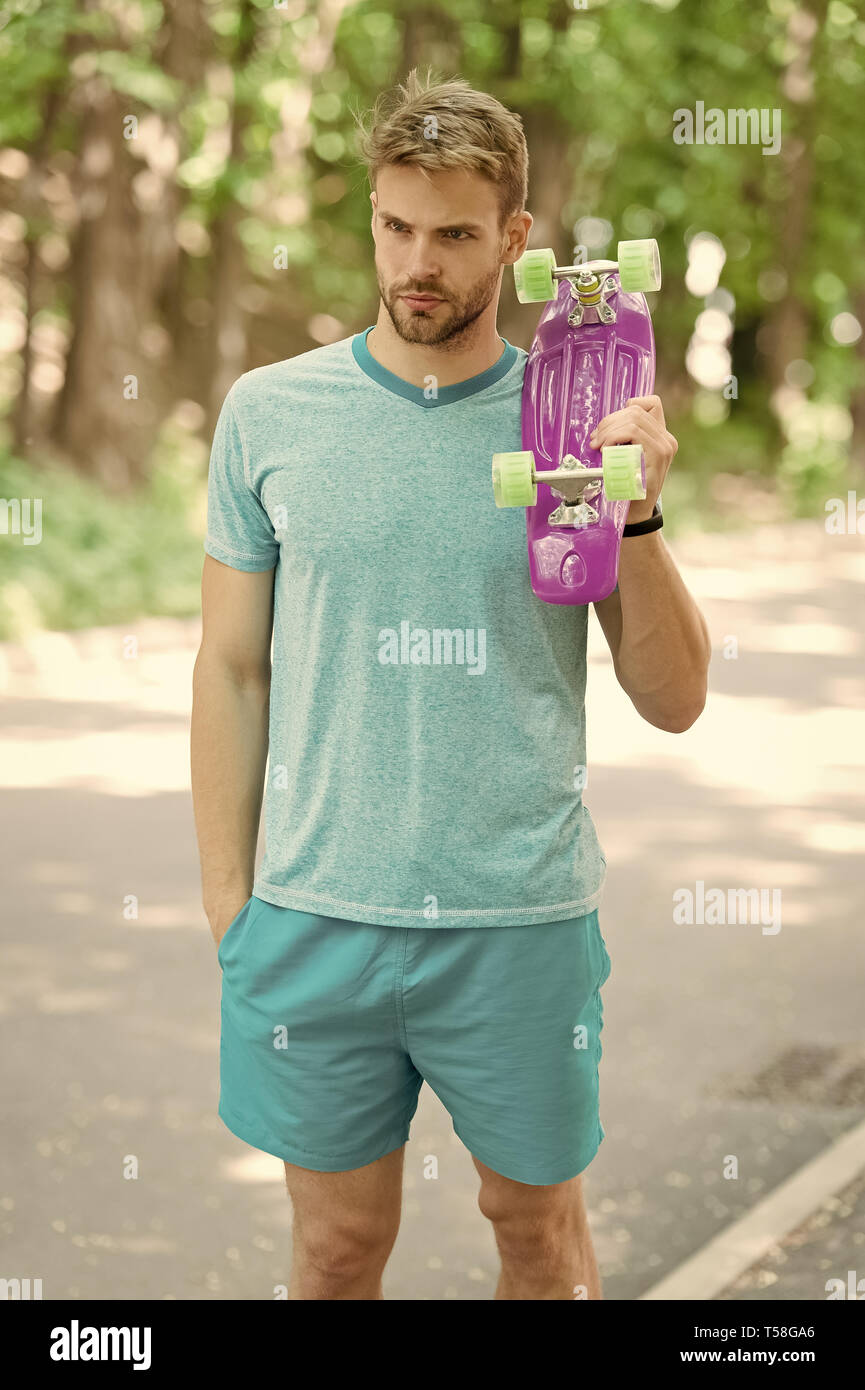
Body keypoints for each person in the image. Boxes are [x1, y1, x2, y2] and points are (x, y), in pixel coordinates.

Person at [190, 69, 711, 1301]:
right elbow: (231, 667)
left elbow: (676, 697)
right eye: (395, 226)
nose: (418, 263)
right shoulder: (271, 414)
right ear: (370, 214)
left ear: (516, 239)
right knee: (332, 1250)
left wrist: (636, 516)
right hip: (317, 918)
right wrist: (231, 911)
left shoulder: (574, 420)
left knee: (537, 1242)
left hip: (515, 923)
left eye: (455, 234)